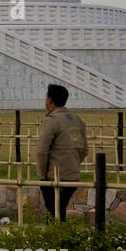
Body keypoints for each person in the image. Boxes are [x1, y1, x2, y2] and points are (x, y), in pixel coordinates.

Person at [35, 83, 88, 220]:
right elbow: (84, 150)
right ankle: (62, 237)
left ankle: (57, 239)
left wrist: (43, 175)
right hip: (73, 175)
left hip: (54, 176)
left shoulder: (52, 120)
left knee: (53, 214)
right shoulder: (77, 120)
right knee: (60, 211)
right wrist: (72, 163)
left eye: (46, 97)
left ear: (50, 100)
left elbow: (41, 151)